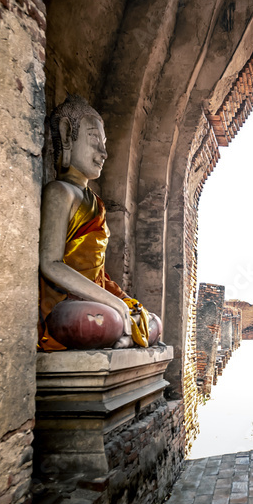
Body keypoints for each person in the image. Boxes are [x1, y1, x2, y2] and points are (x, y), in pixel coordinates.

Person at [38, 94, 161, 350]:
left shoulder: (95, 202)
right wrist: (113, 304)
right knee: (103, 322)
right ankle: (120, 330)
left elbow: (98, 273)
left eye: (104, 143)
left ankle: (122, 329)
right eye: (94, 139)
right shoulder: (60, 192)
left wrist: (123, 300)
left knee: (153, 322)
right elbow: (50, 264)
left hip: (95, 296)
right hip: (65, 302)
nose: (103, 152)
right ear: (67, 133)